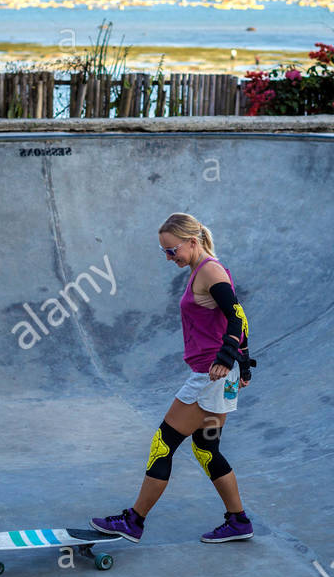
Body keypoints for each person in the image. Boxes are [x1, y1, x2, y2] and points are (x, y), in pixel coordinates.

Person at [91, 212, 257, 544]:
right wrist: (243, 359)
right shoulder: (206, 269)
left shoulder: (209, 270)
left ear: (192, 242)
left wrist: (228, 355)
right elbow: (238, 319)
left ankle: (134, 521)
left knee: (163, 443)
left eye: (172, 250)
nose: (169, 258)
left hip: (210, 375)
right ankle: (238, 521)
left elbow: (236, 313)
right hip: (219, 376)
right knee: (206, 447)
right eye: (165, 252)